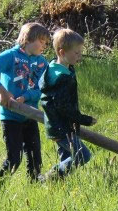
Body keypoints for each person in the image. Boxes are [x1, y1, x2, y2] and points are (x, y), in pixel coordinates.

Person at [0, 22, 50, 181]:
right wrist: (2, 91)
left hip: (30, 115)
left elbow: (43, 89)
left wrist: (27, 97)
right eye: (42, 41)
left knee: (35, 160)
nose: (44, 45)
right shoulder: (11, 56)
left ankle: (35, 190)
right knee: (14, 160)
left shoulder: (42, 63)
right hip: (10, 116)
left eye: (46, 42)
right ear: (28, 39)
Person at [39, 29, 96, 181]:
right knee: (82, 156)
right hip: (62, 126)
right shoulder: (60, 77)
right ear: (62, 52)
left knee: (66, 156)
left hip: (58, 124)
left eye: (80, 52)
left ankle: (55, 185)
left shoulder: (58, 67)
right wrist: (84, 120)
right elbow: (64, 107)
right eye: (76, 53)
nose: (80, 56)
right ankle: (47, 178)